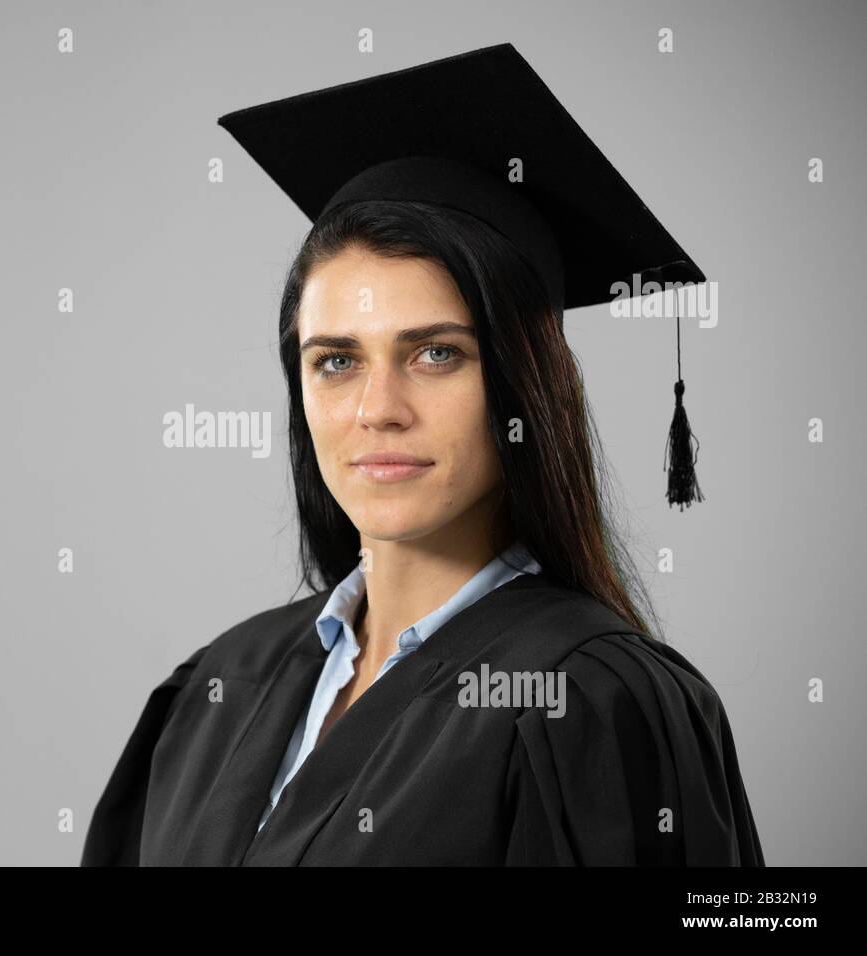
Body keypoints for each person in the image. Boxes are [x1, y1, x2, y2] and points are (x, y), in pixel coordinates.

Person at [80, 43, 763, 866]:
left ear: (523, 382)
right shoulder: (221, 684)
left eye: (436, 353)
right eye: (336, 361)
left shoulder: (586, 701)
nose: (377, 410)